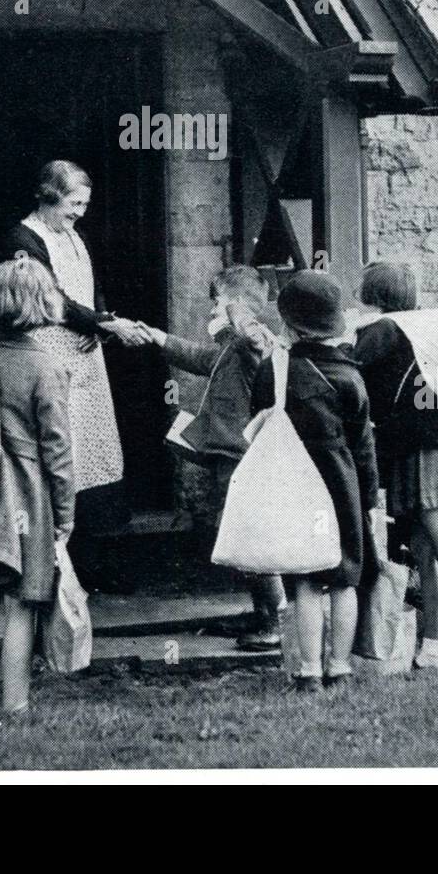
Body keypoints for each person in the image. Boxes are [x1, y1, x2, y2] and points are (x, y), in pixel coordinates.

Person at [0, 160, 144, 589]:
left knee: (93, 449)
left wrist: (100, 322)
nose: (79, 212)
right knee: (60, 449)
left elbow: (86, 289)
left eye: (84, 204)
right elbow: (50, 296)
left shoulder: (72, 235)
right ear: (48, 196)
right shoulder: (24, 240)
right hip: (49, 355)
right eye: (73, 203)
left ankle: (95, 559)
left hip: (84, 355)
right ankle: (60, 558)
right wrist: (100, 323)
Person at [139, 265, 286, 651]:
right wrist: (159, 339)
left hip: (241, 458)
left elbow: (258, 343)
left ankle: (276, 624)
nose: (210, 313)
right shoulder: (228, 350)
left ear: (237, 305)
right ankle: (263, 614)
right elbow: (202, 358)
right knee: (239, 538)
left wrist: (238, 312)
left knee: (252, 539)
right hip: (227, 457)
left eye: (216, 303)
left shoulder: (248, 342)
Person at [0, 257, 75, 719]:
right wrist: (65, 513)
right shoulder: (47, 366)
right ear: (44, 304)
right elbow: (58, 452)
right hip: (27, 493)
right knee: (24, 603)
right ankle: (16, 704)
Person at [252, 271, 380, 693]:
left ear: (288, 323)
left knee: (306, 578)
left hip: (293, 486)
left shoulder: (273, 371)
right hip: (341, 486)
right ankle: (339, 667)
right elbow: (363, 446)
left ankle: (309, 671)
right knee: (345, 578)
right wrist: (369, 497)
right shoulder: (350, 378)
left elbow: (256, 426)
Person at [351, 261, 438, 669]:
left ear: (375, 295)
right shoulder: (411, 329)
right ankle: (433, 647)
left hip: (430, 451)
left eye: (362, 291)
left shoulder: (384, 329)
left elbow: (346, 360)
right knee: (425, 554)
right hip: (419, 448)